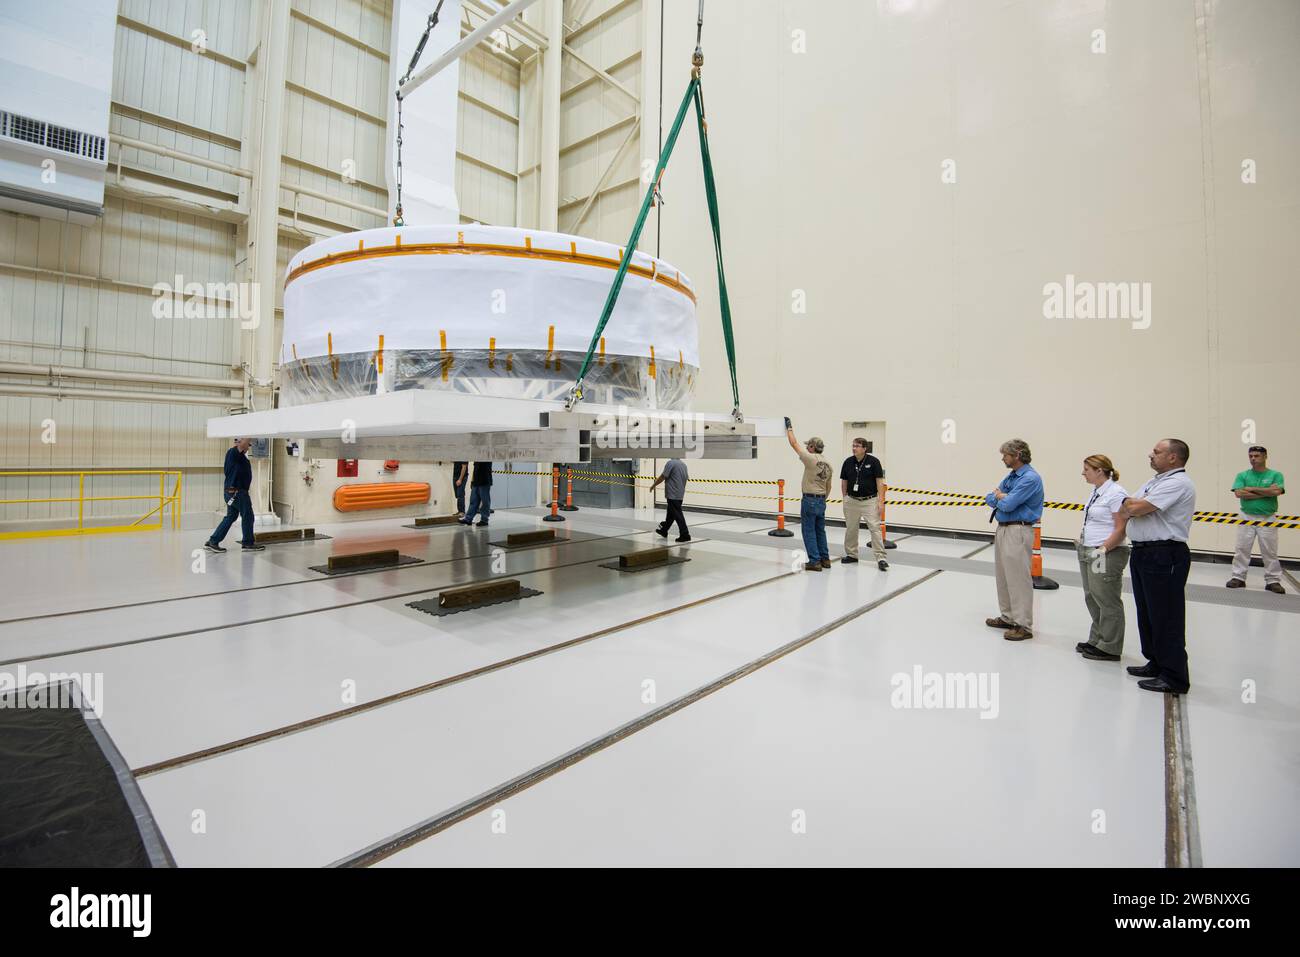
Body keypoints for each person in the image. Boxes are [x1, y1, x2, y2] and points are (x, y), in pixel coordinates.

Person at [1119, 439, 1197, 695]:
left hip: (1165, 554)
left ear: (1173, 457)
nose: (1150, 455)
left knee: (1166, 615)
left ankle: (1174, 676)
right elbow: (1124, 507)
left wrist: (1134, 506)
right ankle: (1156, 662)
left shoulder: (1178, 483)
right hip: (1143, 552)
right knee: (1148, 612)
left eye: (1157, 452)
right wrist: (1132, 506)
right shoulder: (1154, 482)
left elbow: (1137, 506)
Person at [984, 439, 1044, 641]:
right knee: (1003, 576)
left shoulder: (1030, 478)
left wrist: (1002, 497)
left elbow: (1008, 504)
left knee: (1018, 578)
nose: (1003, 458)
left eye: (1006, 455)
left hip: (1018, 530)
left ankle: (1023, 625)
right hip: (1003, 529)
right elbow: (989, 497)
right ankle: (1008, 617)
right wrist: (1000, 497)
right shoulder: (1011, 477)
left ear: (1017, 455)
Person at [1075, 455, 1130, 661]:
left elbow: (1121, 528)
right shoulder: (1097, 492)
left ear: (1100, 470)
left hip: (1105, 552)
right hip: (1089, 549)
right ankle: (1097, 638)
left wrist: (1103, 549)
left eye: (1086, 469)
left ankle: (1110, 646)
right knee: (1092, 596)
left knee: (1106, 598)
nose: (1083, 473)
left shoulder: (1116, 493)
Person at [1227, 446, 1286, 594]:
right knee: (1242, 548)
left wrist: (1250, 489)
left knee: (1270, 551)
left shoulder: (1275, 475)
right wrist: (1267, 492)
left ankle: (1273, 581)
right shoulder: (1242, 475)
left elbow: (1277, 491)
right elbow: (1239, 493)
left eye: (1257, 456)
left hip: (1268, 517)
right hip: (1247, 516)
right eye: (1251, 456)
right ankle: (1238, 577)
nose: (1253, 458)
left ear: (1265, 456)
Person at [785, 418, 833, 571]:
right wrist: (822, 500)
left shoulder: (810, 459)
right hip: (821, 500)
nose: (807, 448)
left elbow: (794, 444)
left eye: (809, 446)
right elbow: (829, 486)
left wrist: (789, 427)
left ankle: (814, 561)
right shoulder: (829, 464)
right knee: (820, 530)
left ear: (812, 447)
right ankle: (825, 559)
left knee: (809, 530)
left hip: (810, 500)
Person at [204, 438, 264, 552]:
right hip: (238, 492)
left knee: (231, 516)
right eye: (248, 445)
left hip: (233, 492)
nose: (248, 447)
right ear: (239, 443)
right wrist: (251, 433)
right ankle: (248, 543)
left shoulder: (240, 457)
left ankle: (213, 541)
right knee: (248, 516)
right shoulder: (233, 453)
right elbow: (243, 443)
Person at [840, 437, 888, 570]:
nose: (854, 448)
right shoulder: (848, 462)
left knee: (875, 528)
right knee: (851, 529)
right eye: (853, 445)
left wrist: (881, 501)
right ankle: (852, 555)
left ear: (864, 448)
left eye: (857, 446)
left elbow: (880, 482)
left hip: (869, 501)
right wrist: (845, 498)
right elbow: (844, 482)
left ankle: (881, 558)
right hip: (851, 501)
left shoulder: (874, 462)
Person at [650, 458, 691, 542]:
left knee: (678, 515)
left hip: (672, 494)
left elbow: (663, 476)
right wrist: (681, 490)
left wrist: (653, 485)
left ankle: (685, 534)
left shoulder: (671, 463)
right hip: (679, 494)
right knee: (671, 514)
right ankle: (664, 530)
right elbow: (685, 479)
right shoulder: (683, 465)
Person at [460, 460, 493, 527]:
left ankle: (484, 519)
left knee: (485, 501)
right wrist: (472, 481)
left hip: (484, 481)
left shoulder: (486, 456)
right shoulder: (476, 458)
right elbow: (474, 470)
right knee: (473, 501)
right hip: (476, 481)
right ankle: (468, 519)